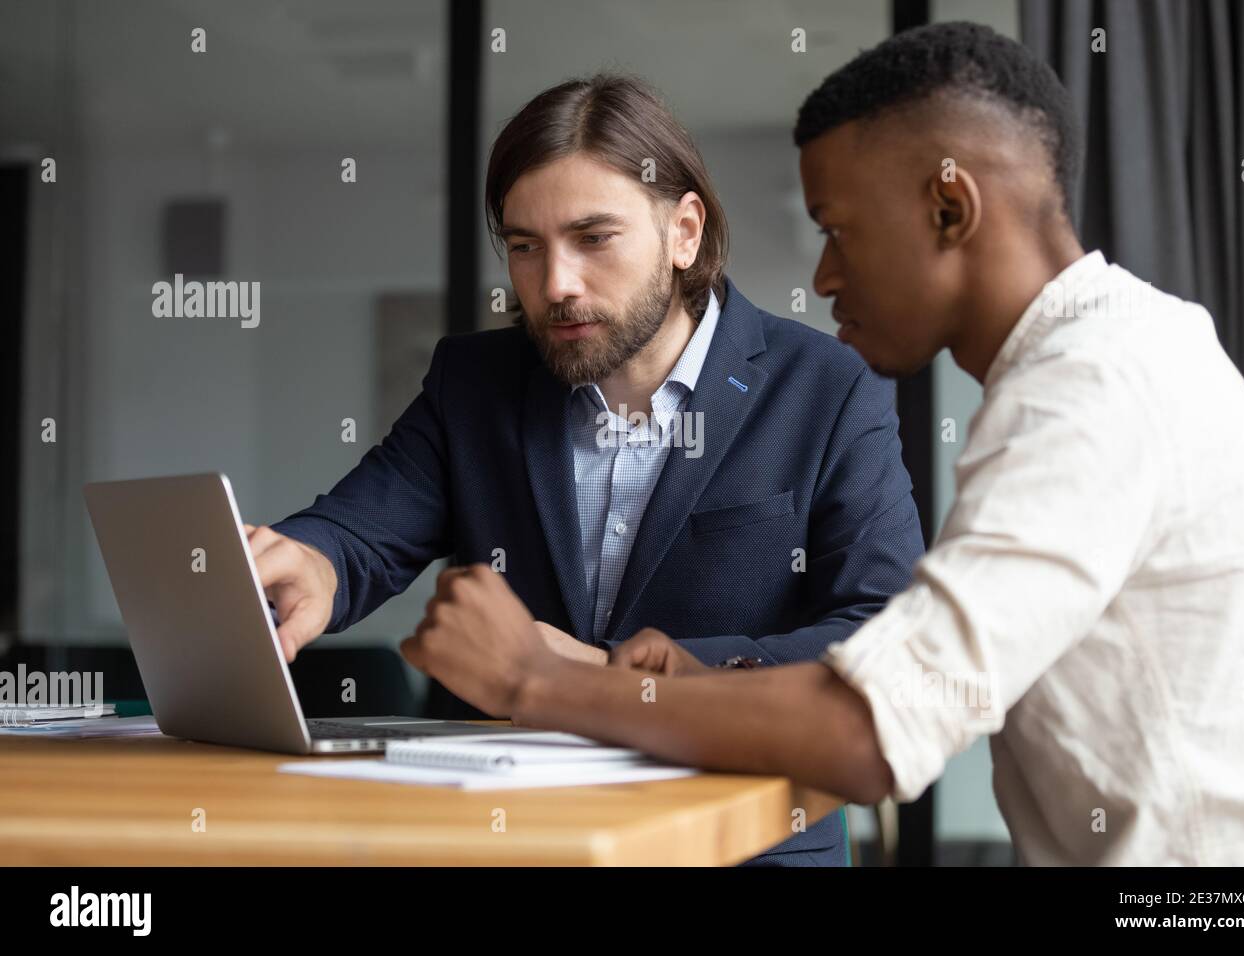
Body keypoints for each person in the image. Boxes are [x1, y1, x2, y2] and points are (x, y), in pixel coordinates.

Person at [400, 23, 1244, 865]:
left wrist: (533, 680)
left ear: (951, 207)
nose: (824, 275)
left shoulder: (1090, 389)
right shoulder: (1127, 347)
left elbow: (872, 730)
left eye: (837, 231)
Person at [247, 74, 924, 866]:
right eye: (526, 247)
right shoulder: (476, 383)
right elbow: (360, 531)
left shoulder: (827, 388)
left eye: (593, 238)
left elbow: (883, 640)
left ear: (684, 232)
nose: (555, 285)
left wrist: (618, 677)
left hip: (739, 849)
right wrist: (312, 563)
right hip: (514, 844)